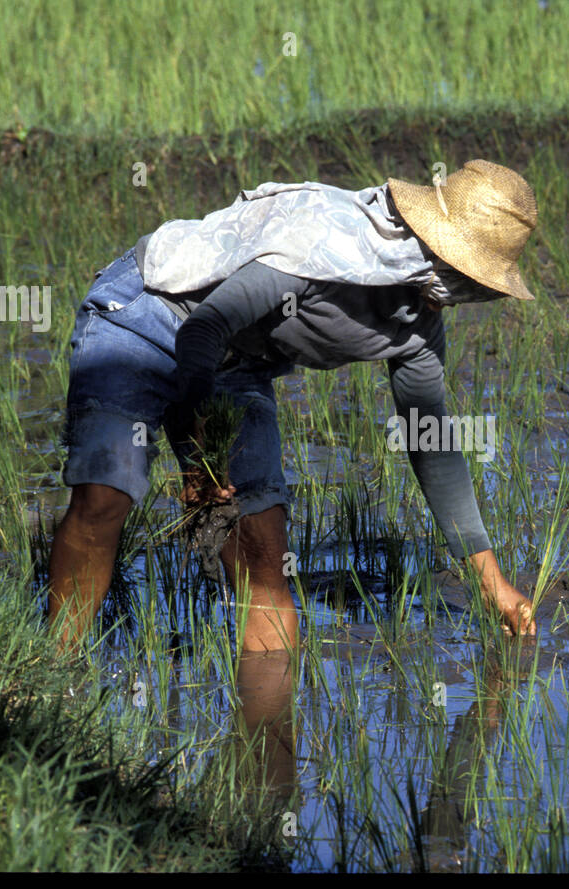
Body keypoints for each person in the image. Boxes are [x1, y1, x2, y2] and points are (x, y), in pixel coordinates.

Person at [47, 159, 538, 654]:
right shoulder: (323, 244)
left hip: (236, 364)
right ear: (432, 244)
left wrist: (491, 583)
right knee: (106, 492)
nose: (458, 295)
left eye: (473, 287)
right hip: (149, 313)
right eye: (460, 275)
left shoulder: (417, 324)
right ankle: (52, 674)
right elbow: (204, 330)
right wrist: (203, 459)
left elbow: (428, 441)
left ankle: (270, 728)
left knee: (263, 552)